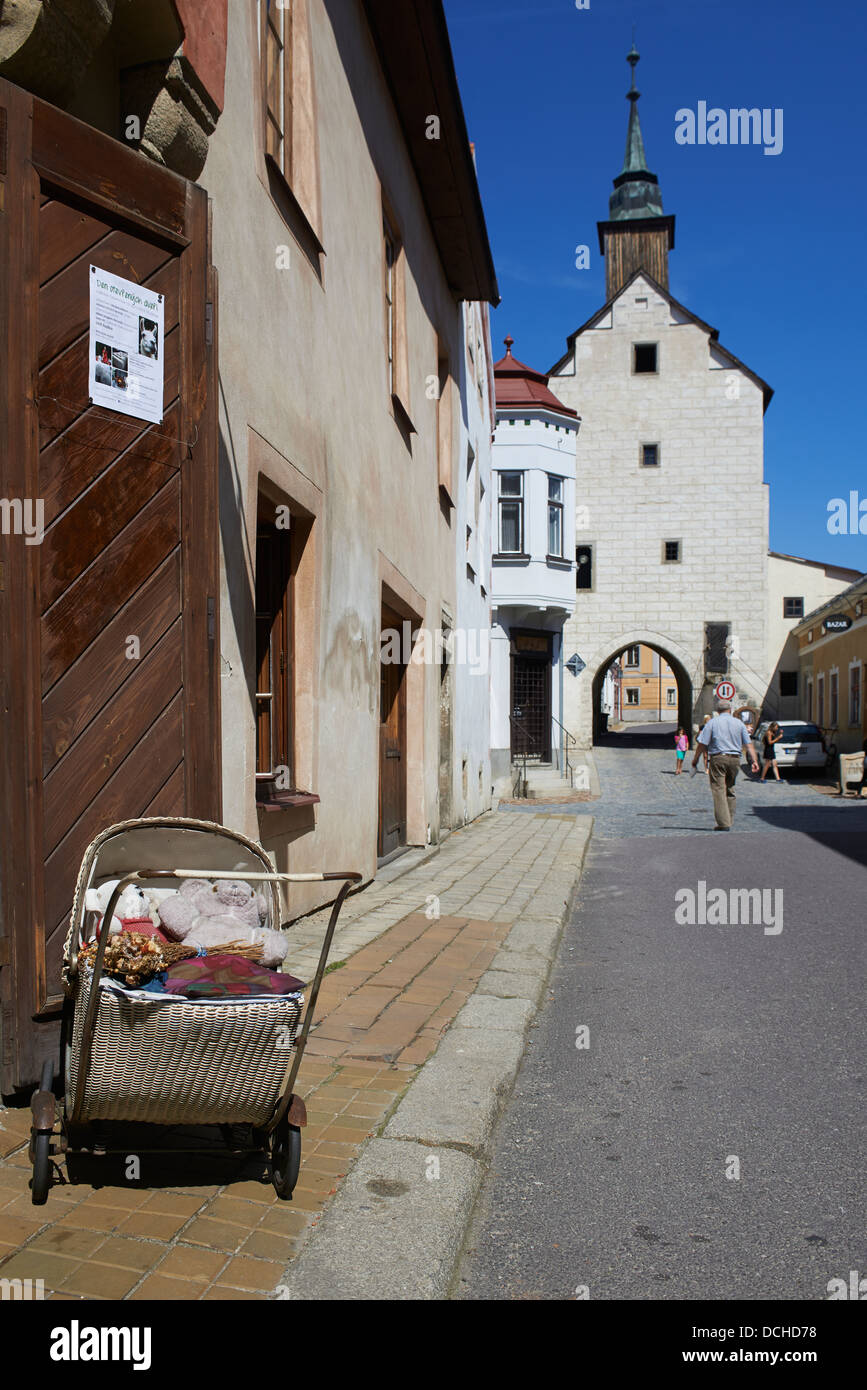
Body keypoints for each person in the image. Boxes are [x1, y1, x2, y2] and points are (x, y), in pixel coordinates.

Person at [691, 700, 759, 830]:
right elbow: (748, 744)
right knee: (730, 788)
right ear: (730, 710)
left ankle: (723, 823)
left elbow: (702, 743)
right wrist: (754, 761)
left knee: (718, 789)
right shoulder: (739, 723)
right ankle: (729, 819)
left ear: (717, 711)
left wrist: (695, 760)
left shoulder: (712, 723)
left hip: (718, 758)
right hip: (735, 759)